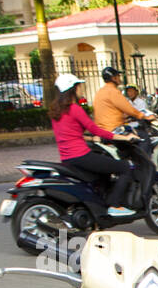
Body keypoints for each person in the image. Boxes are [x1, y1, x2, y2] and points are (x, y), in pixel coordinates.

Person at [47, 72, 137, 218]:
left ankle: (101, 207)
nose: (81, 89)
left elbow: (68, 133)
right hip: (81, 155)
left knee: (104, 171)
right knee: (125, 167)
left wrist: (90, 138)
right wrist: (125, 137)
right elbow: (96, 129)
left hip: (67, 158)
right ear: (72, 89)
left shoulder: (56, 112)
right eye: (78, 86)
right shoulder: (74, 109)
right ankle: (114, 205)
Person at [94, 65, 155, 132]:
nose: (120, 78)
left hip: (102, 129)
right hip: (113, 129)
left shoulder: (100, 92)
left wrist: (125, 117)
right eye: (118, 76)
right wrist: (145, 117)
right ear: (114, 78)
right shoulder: (113, 92)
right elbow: (129, 109)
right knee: (143, 137)